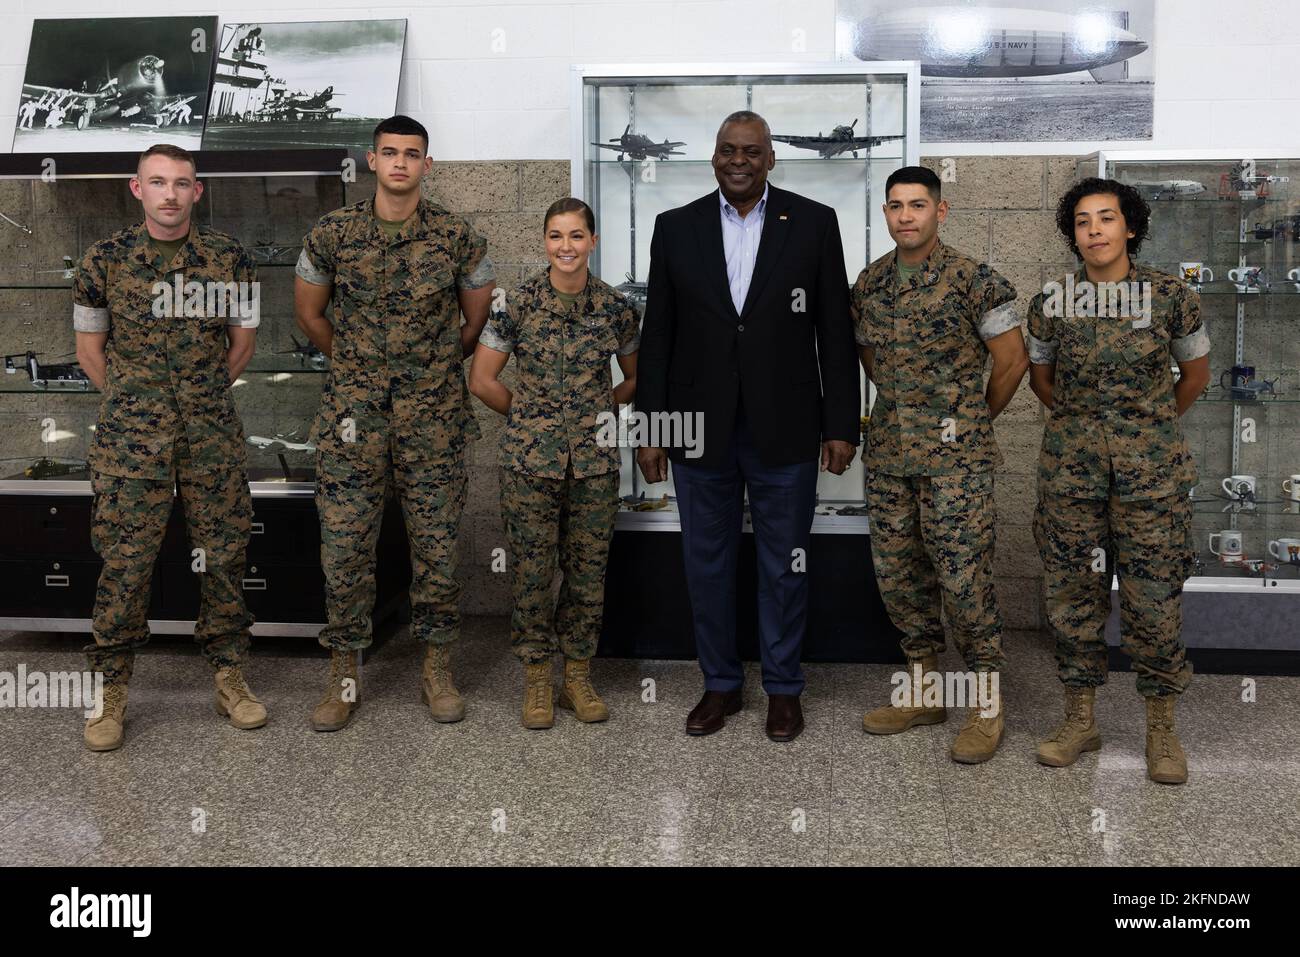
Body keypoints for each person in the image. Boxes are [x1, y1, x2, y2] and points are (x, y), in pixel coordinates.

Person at [636, 110, 860, 742]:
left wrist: (841, 423)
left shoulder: (814, 223)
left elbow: (834, 335)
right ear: (713, 157)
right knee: (705, 562)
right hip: (697, 429)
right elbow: (659, 337)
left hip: (786, 428)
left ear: (769, 160)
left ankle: (783, 690)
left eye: (752, 152)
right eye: (729, 150)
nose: (740, 161)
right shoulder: (675, 228)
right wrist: (652, 427)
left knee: (783, 563)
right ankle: (721, 686)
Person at [294, 115, 494, 731]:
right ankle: (344, 673)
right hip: (353, 421)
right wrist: (360, 365)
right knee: (345, 549)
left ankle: (436, 669)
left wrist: (426, 366)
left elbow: (474, 321)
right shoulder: (332, 233)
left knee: (435, 548)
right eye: (390, 153)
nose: (401, 163)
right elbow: (311, 315)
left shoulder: (458, 238)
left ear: (426, 165)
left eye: (412, 154)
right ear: (372, 161)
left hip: (432, 420)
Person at [74, 143, 265, 751]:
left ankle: (230, 676)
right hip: (132, 443)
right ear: (138, 189)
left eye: (182, 183)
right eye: (158, 182)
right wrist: (137, 403)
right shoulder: (102, 261)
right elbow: (88, 353)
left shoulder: (229, 258)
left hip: (211, 438)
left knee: (225, 556)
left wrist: (199, 396)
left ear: (196, 192)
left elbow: (243, 343)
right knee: (126, 565)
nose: (170, 193)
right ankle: (111, 690)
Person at [1027, 177, 1210, 785]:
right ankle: (1080, 720)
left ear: (1130, 226)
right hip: (1072, 479)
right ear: (1072, 233)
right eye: (1082, 221)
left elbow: (1195, 374)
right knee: (1073, 600)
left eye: (1107, 219)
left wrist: (1144, 431)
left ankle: (1162, 731)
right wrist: (1090, 432)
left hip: (1151, 482)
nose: (1095, 231)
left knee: (1153, 603)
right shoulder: (1053, 300)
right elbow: (1042, 381)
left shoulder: (1169, 295)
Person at [853, 166, 1027, 764]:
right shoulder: (870, 283)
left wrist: (971, 421)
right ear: (886, 213)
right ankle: (924, 691)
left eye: (918, 205)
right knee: (901, 577)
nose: (906, 216)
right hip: (891, 457)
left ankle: (985, 705)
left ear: (940, 212)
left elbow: (1011, 363)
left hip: (957, 462)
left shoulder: (975, 280)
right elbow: (871, 360)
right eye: (896, 206)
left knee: (964, 580)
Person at [469, 198, 639, 729]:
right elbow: (482, 380)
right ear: (544, 242)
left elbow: (636, 377)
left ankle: (577, 679)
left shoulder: (615, 308)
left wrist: (595, 413)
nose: (566, 247)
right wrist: (533, 419)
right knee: (532, 575)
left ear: (593, 240)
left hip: (594, 467)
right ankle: (538, 681)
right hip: (529, 468)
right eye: (555, 236)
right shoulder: (515, 306)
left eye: (576, 236)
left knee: (588, 576)